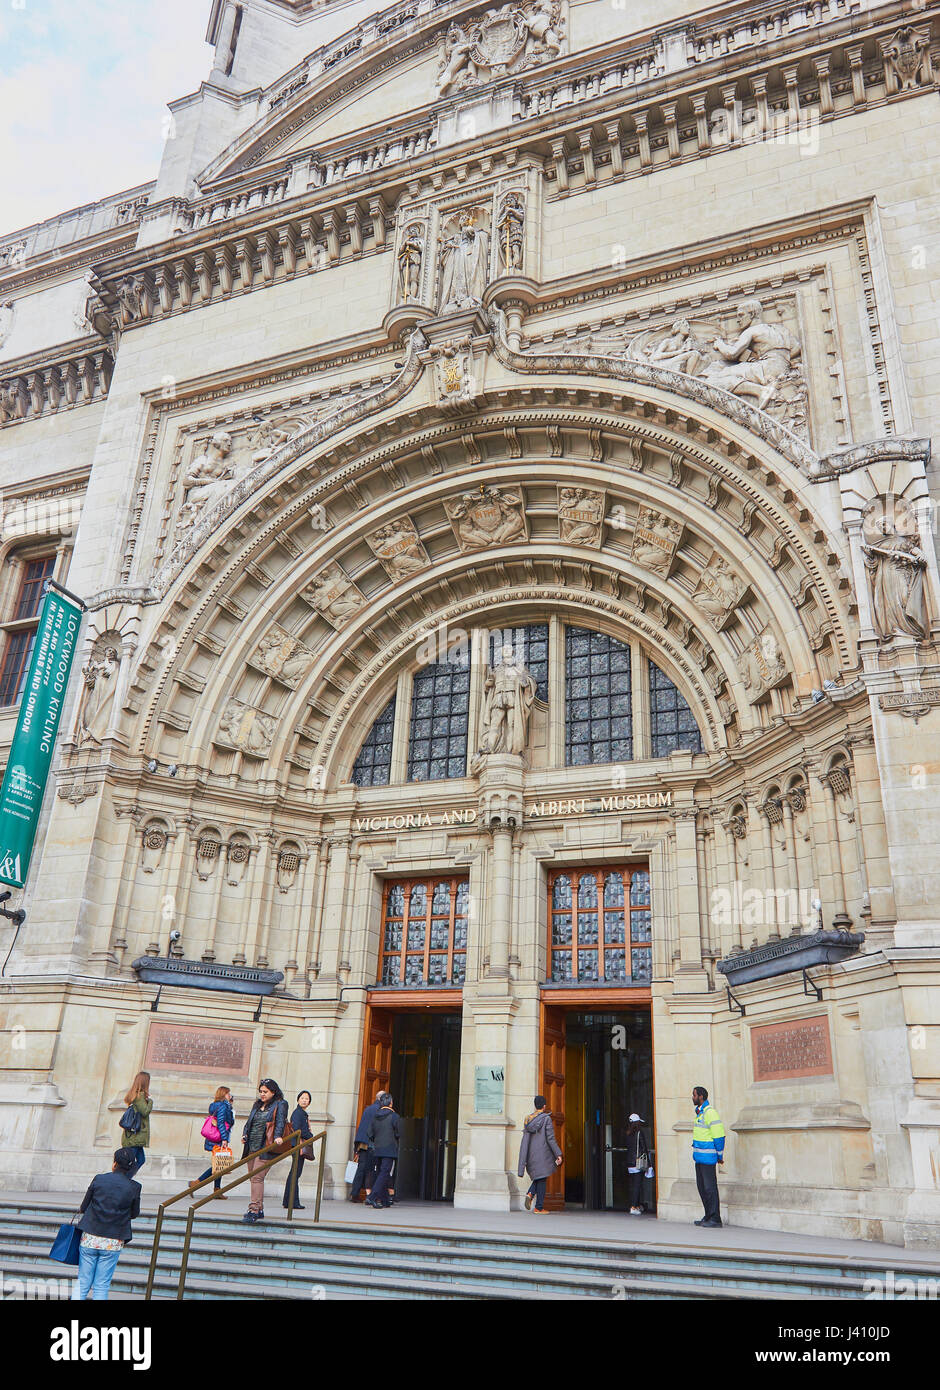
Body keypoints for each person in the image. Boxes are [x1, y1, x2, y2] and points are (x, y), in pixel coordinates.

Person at [72, 1148, 141, 1301]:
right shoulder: (135, 1187)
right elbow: (134, 1214)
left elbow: (83, 1207)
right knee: (101, 1285)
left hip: (90, 1236)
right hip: (113, 1240)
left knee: (83, 1282)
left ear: (114, 1163)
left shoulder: (99, 1179)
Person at [241, 1078, 289, 1224]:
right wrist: (245, 1134)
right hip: (251, 1146)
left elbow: (280, 1121)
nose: (262, 1094)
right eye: (260, 1091)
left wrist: (278, 1137)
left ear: (273, 1092)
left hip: (266, 1146)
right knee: (253, 1178)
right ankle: (259, 1208)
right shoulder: (257, 1105)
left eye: (265, 1092)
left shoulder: (280, 1104)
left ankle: (253, 1209)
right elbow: (249, 1122)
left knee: (257, 1177)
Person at [517, 1095, 562, 1214]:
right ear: (544, 1106)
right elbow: (550, 1139)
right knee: (542, 1179)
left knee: (539, 1177)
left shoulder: (528, 1120)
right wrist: (558, 1153)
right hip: (543, 1154)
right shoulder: (546, 1119)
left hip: (531, 1155)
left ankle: (531, 1193)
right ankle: (539, 1207)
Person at [189, 1086, 235, 1199]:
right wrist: (224, 1139)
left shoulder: (216, 1105)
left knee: (219, 1165)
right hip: (219, 1138)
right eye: (228, 1094)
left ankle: (217, 1190)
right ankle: (196, 1183)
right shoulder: (223, 1106)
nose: (230, 1096)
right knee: (218, 1165)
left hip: (215, 1137)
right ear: (223, 1094)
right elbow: (221, 1123)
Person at [692, 1085, 725, 1228]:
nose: (692, 1097)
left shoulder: (710, 1112)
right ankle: (708, 1215)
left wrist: (720, 1155)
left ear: (701, 1097)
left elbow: (719, 1136)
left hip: (708, 1158)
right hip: (699, 1158)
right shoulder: (700, 1113)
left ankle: (715, 1218)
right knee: (702, 1187)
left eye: (694, 1095)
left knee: (710, 1188)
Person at [349, 1090, 385, 1202]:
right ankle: (368, 1194)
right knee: (370, 1169)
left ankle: (355, 1193)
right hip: (370, 1143)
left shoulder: (368, 1108)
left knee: (362, 1168)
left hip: (362, 1142)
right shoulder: (379, 1110)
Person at [365, 1094, 400, 1208]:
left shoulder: (375, 1116)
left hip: (377, 1148)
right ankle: (372, 1197)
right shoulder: (394, 1116)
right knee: (385, 1173)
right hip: (389, 1148)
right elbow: (399, 1133)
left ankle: (384, 1200)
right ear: (390, 1103)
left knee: (380, 1172)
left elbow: (369, 1133)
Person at [283, 1090, 314, 1210]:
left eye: (307, 1099)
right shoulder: (298, 1113)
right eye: (302, 1098)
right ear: (298, 1099)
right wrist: (310, 1136)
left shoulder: (302, 1113)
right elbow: (297, 1129)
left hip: (297, 1145)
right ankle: (292, 1201)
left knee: (295, 1173)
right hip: (297, 1145)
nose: (304, 1100)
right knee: (295, 1173)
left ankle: (288, 1200)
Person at [120, 1071, 152, 1178]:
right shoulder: (140, 1097)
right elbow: (145, 1111)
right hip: (136, 1136)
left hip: (134, 1136)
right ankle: (124, 1180)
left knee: (140, 1160)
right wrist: (150, 1101)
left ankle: (125, 1180)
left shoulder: (135, 1096)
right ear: (145, 1083)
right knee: (130, 1162)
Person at [625, 1112, 650, 1214]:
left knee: (633, 1185)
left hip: (630, 1163)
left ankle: (637, 1204)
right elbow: (644, 1148)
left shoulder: (628, 1134)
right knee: (638, 1185)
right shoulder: (640, 1133)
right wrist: (649, 1164)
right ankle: (634, 1206)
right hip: (638, 1163)